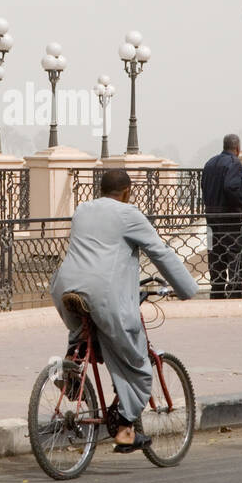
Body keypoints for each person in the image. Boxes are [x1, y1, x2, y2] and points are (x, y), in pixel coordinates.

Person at [51, 169, 200, 452]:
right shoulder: (129, 214)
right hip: (104, 295)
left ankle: (70, 371)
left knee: (85, 335)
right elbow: (160, 252)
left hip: (65, 288)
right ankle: (123, 432)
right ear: (127, 192)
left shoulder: (83, 210)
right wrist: (187, 289)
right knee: (138, 366)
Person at [201, 134, 242, 299]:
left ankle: (217, 290)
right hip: (229, 216)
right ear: (238, 148)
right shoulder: (234, 163)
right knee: (237, 253)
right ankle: (234, 291)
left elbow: (204, 186)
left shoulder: (210, 163)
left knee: (215, 252)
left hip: (211, 216)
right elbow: (232, 187)